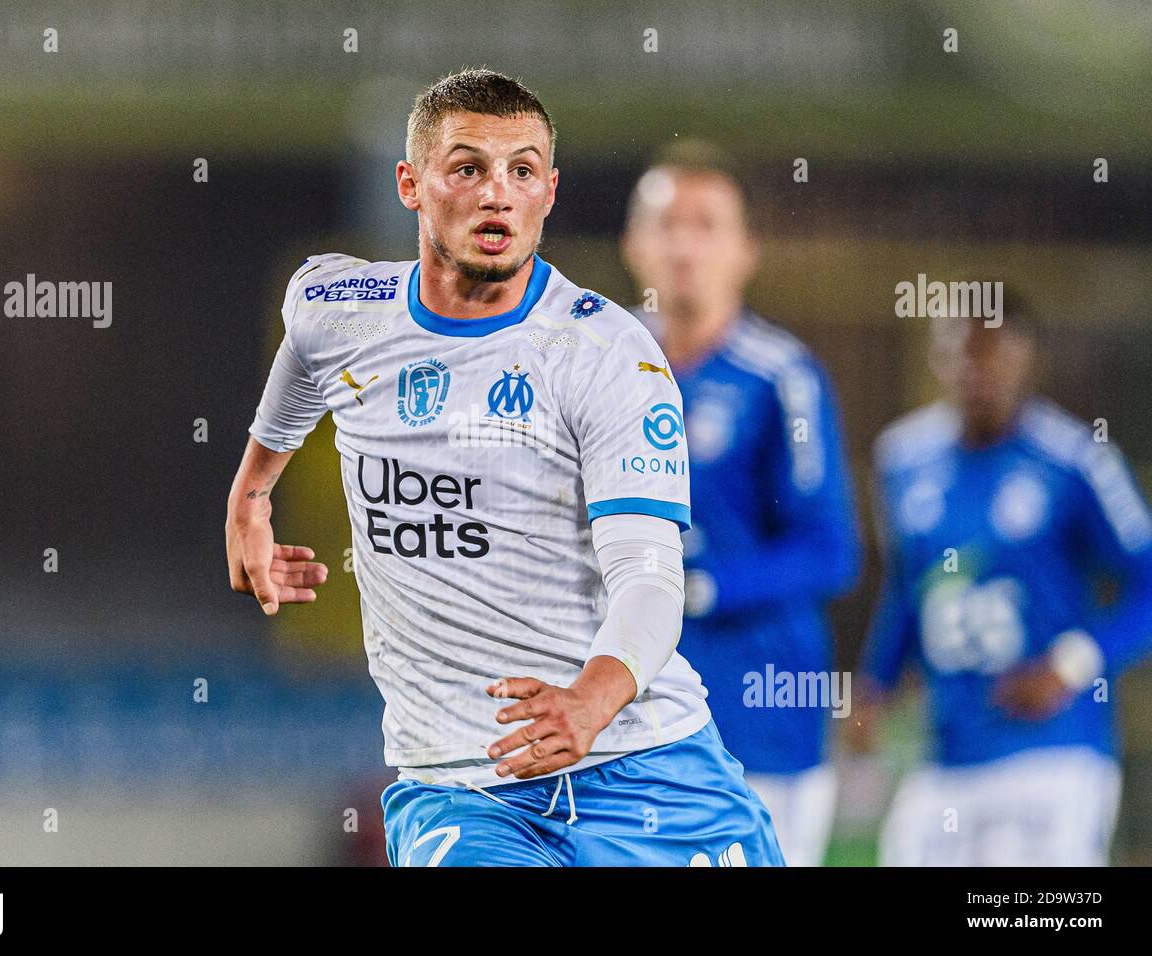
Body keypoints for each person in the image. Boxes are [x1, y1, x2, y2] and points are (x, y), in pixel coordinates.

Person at [225, 69, 782, 866]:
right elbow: (301, 366)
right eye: (468, 168)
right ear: (411, 185)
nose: (498, 193)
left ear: (548, 192)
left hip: (647, 766)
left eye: (522, 170)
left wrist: (590, 700)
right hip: (462, 786)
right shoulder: (339, 307)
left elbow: (652, 581)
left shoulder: (607, 355)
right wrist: (252, 493)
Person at [621, 140, 861, 865]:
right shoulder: (596, 362)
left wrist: (701, 587)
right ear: (634, 243)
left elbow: (831, 550)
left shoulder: (780, 378)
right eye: (666, 223)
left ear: (746, 250)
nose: (683, 244)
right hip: (625, 719)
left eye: (706, 224)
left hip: (758, 717)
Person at [856, 299, 1152, 865]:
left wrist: (1072, 664)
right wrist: (877, 683)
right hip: (946, 751)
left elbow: (1148, 584)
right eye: (961, 351)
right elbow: (909, 587)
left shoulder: (1073, 459)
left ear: (1027, 359)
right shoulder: (902, 459)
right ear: (938, 359)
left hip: (1053, 750)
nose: (977, 368)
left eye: (993, 353)